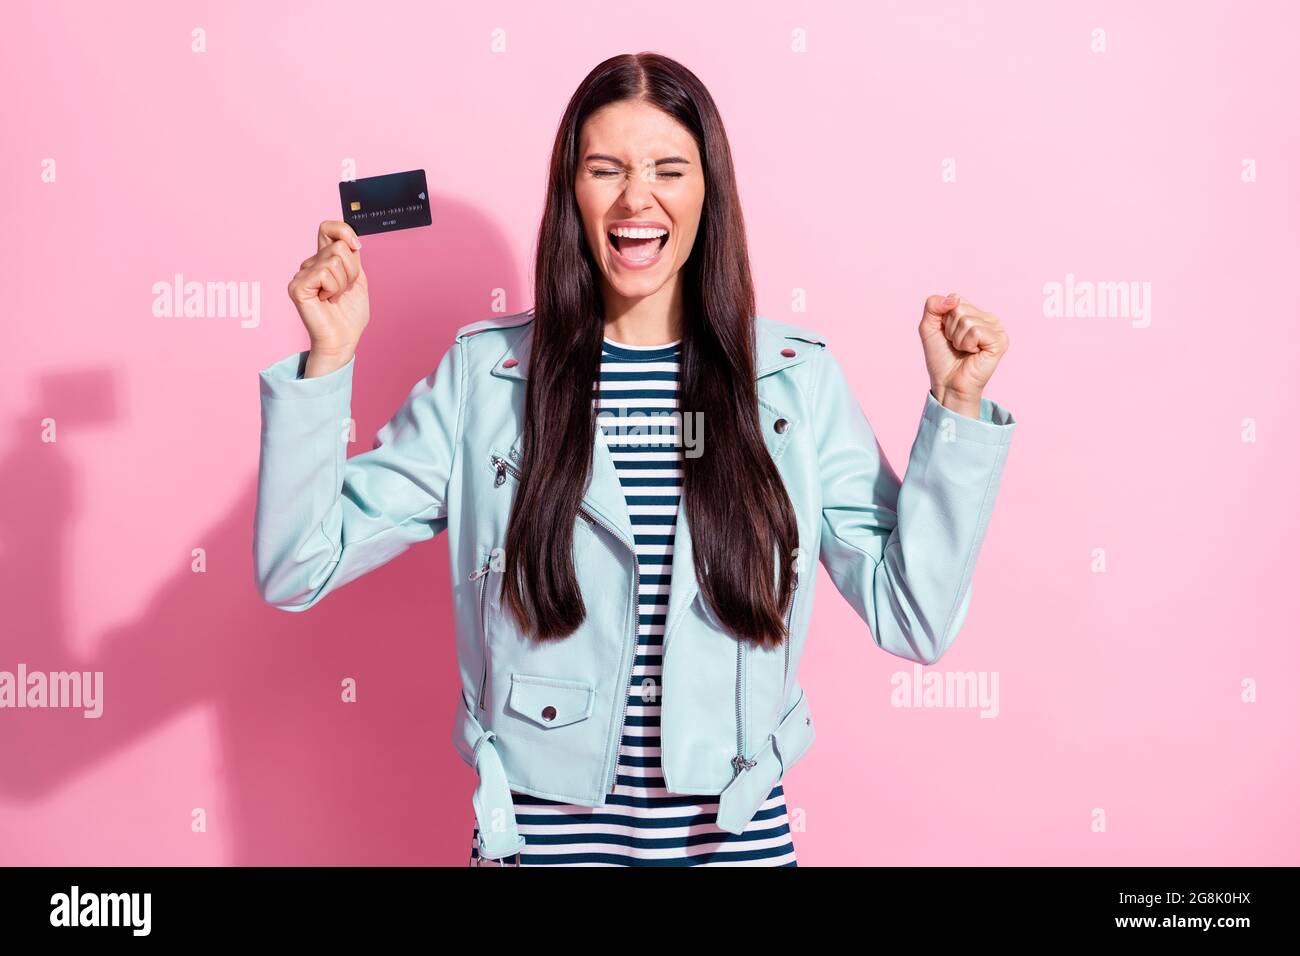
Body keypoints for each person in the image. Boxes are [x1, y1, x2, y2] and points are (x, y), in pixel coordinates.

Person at [254, 51, 1017, 867]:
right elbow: (298, 565)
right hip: (542, 849)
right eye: (605, 169)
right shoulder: (486, 377)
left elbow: (916, 618)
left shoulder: (794, 383)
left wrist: (957, 414)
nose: (635, 199)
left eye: (667, 169)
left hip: (736, 848)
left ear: (707, 191)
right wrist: (330, 357)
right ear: (571, 192)